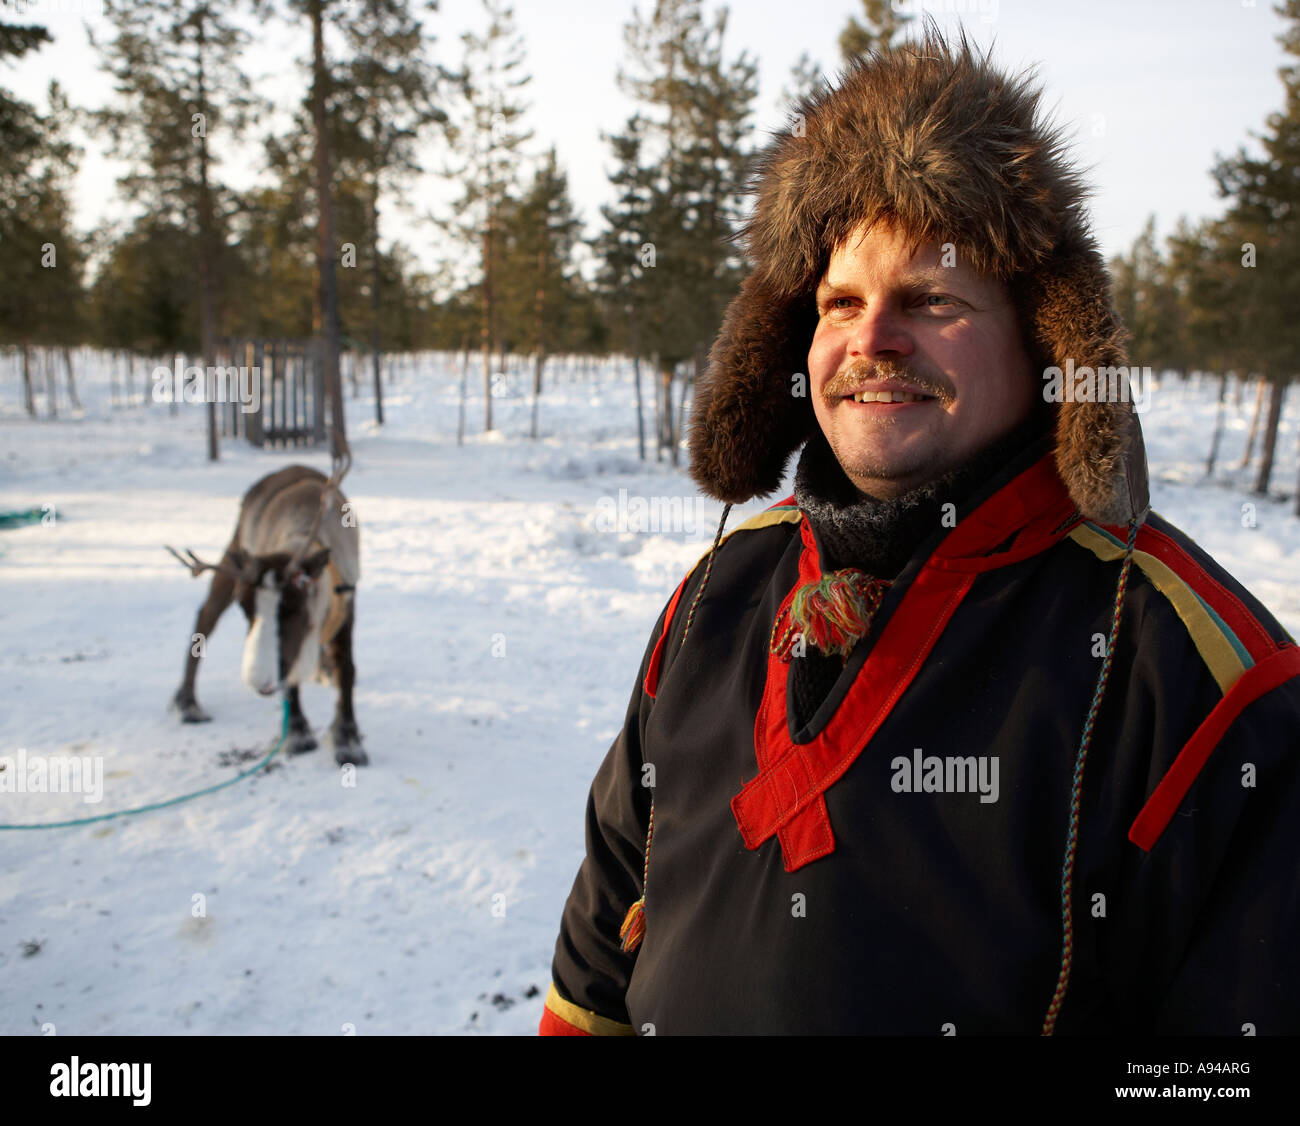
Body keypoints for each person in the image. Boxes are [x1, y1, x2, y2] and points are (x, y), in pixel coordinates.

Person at [539, 28, 1300, 1035]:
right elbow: (600, 941)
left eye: (930, 300)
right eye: (838, 301)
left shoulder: (1194, 676)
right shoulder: (719, 591)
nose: (870, 339)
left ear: (1042, 341)